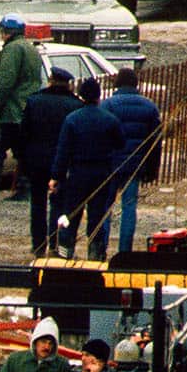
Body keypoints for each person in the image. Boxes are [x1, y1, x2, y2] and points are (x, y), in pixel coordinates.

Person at [50, 78, 125, 259]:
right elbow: (120, 144)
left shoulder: (72, 120)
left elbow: (63, 151)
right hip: (101, 174)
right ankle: (95, 253)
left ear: (81, 96)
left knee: (71, 214)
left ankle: (65, 252)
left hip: (77, 174)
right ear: (99, 96)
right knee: (97, 216)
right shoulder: (110, 120)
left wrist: (56, 177)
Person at [98, 67, 161, 254]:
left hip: (110, 164)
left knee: (105, 208)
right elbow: (155, 142)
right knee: (129, 207)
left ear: (117, 84)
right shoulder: (149, 107)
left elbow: (101, 136)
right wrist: (151, 169)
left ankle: (101, 249)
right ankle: (124, 252)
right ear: (136, 84)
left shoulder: (107, 105)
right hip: (135, 165)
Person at [19, 67, 80, 259]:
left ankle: (38, 245)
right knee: (59, 204)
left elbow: (24, 134)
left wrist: (23, 159)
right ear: (68, 83)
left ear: (51, 80)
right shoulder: (75, 105)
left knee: (37, 204)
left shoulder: (34, 101)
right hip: (62, 162)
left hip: (36, 160)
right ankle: (55, 243)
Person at [0, 15, 44, 199]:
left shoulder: (12, 49)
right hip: (26, 110)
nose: (1, 35)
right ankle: (24, 190)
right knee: (23, 153)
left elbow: (5, 81)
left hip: (10, 111)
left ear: (7, 32)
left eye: (2, 31)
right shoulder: (31, 49)